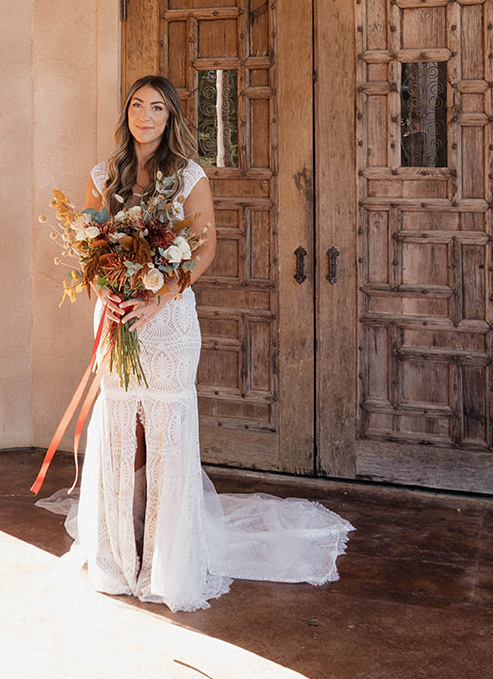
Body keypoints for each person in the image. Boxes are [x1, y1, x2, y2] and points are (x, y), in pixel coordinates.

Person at [41, 74, 351, 613]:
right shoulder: (103, 176)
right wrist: (106, 293)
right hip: (118, 318)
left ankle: (168, 558)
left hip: (167, 321)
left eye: (156, 108)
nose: (145, 115)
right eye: (137, 105)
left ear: (171, 117)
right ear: (127, 114)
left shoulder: (187, 175)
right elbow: (91, 248)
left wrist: (158, 299)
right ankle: (120, 553)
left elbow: (202, 250)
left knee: (164, 432)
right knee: (123, 430)